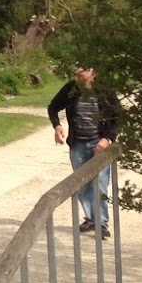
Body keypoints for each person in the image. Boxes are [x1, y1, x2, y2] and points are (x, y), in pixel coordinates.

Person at [48, 66, 119, 238]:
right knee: (82, 183)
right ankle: (91, 219)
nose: (78, 75)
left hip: (99, 143)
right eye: (76, 73)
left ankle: (101, 223)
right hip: (78, 143)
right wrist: (57, 126)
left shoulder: (104, 90)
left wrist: (107, 138)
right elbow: (53, 107)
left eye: (82, 73)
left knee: (100, 183)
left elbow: (118, 116)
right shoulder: (71, 89)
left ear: (92, 74)